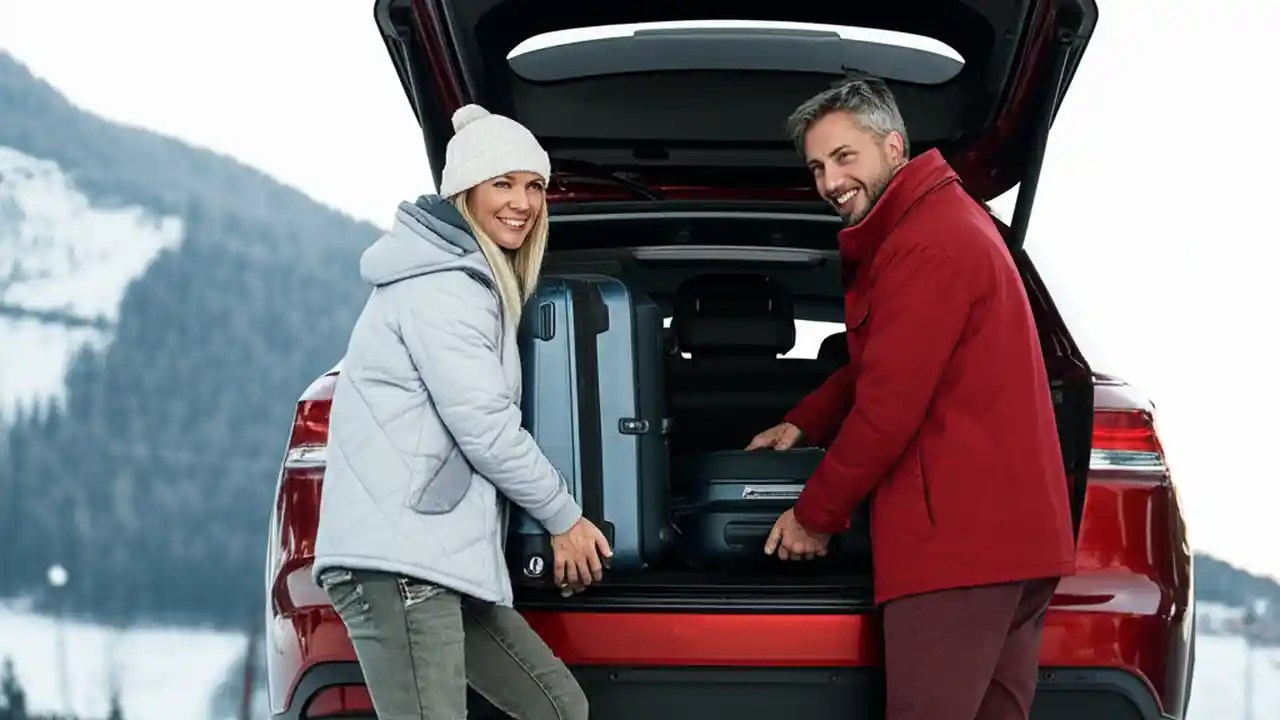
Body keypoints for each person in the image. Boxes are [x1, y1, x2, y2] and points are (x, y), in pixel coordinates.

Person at [749, 76, 1076, 720]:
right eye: (817, 166)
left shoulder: (927, 243)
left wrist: (816, 516)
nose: (829, 181)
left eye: (845, 157)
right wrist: (804, 420)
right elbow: (893, 357)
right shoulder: (944, 223)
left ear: (893, 146)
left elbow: (888, 410)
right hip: (1010, 544)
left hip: (959, 547)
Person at [312, 103, 611, 720]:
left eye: (534, 186)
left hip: (440, 563)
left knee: (558, 710)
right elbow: (486, 430)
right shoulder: (444, 288)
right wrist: (565, 518)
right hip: (400, 568)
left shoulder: (466, 282)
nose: (523, 203)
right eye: (503, 183)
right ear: (465, 191)